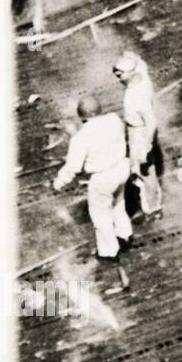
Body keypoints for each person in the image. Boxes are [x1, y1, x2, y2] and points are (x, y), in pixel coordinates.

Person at [52, 97, 133, 260]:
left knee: (101, 216)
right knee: (119, 204)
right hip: (122, 168)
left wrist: (58, 183)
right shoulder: (114, 120)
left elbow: (73, 167)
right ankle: (125, 234)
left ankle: (109, 252)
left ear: (82, 116)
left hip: (102, 178)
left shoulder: (80, 138)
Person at [114, 52, 162, 217]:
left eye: (120, 73)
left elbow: (151, 122)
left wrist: (146, 147)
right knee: (141, 168)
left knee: (145, 171)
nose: (117, 75)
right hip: (136, 129)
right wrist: (129, 55)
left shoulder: (138, 97)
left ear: (131, 73)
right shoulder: (142, 73)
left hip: (140, 133)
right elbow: (140, 61)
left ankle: (153, 208)